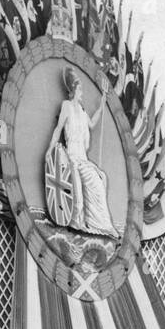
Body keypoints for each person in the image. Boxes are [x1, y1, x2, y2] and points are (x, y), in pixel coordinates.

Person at [43, 66, 120, 238]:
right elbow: (58, 129)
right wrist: (49, 150)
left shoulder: (82, 110)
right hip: (71, 159)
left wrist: (102, 102)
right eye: (80, 88)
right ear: (74, 89)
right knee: (77, 200)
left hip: (82, 160)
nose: (82, 91)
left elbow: (92, 124)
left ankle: (102, 225)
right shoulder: (66, 106)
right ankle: (77, 225)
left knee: (99, 182)